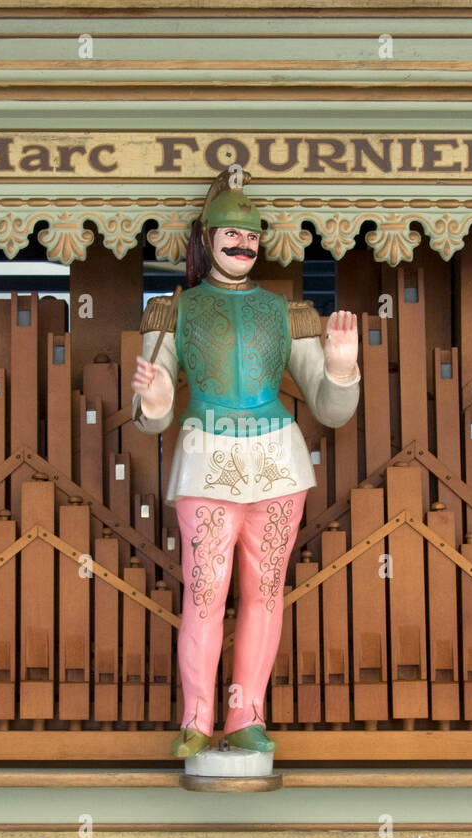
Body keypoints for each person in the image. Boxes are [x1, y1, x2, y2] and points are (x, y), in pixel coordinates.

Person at [131, 172, 360, 757]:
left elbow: (332, 411)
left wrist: (339, 368)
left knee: (265, 592)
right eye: (230, 232)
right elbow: (149, 415)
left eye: (251, 234)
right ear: (206, 238)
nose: (243, 243)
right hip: (206, 456)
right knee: (205, 592)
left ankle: (246, 716)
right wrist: (155, 403)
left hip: (278, 461)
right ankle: (196, 718)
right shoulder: (172, 311)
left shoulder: (290, 314)